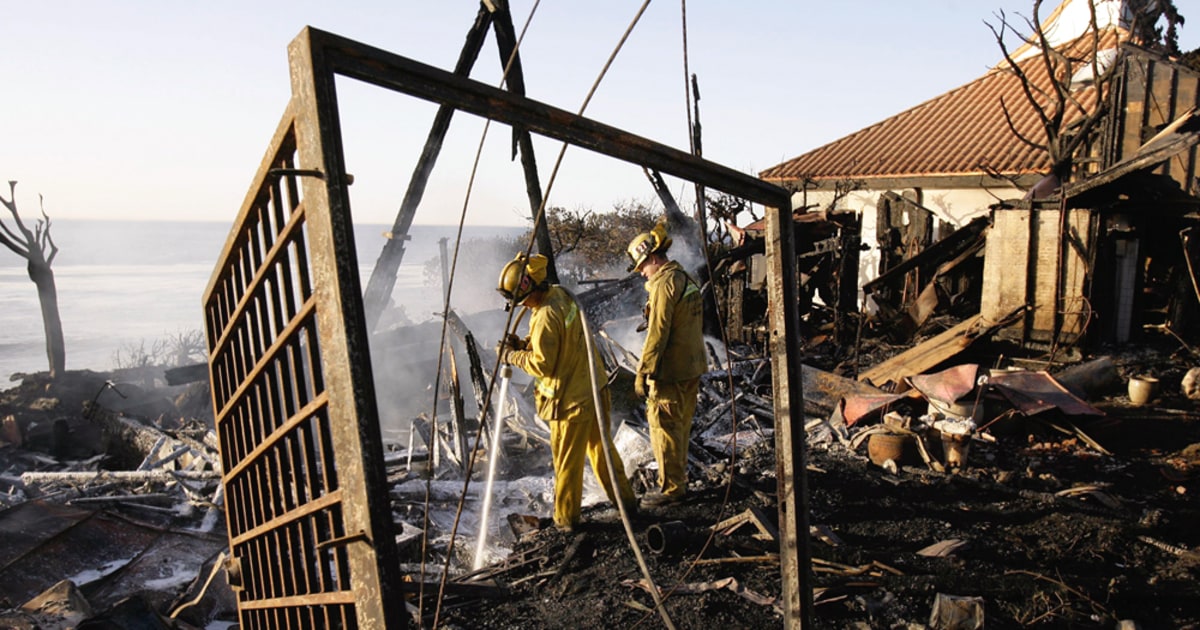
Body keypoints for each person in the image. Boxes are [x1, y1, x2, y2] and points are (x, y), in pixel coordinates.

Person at [496, 252, 638, 530]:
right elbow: (559, 339)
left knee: (567, 463)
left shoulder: (545, 314)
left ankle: (566, 519)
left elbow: (543, 363)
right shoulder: (560, 295)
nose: (521, 304)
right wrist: (524, 343)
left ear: (532, 288)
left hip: (570, 402)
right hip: (593, 389)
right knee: (602, 451)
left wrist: (511, 356)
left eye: (520, 298)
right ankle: (627, 503)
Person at [626, 222, 707, 508]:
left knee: (664, 429)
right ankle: (679, 482)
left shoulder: (663, 284)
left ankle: (671, 490)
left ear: (653, 258)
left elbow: (658, 333)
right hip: (692, 368)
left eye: (642, 267)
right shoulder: (685, 277)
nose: (641, 273)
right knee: (681, 427)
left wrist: (643, 372)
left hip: (670, 373)